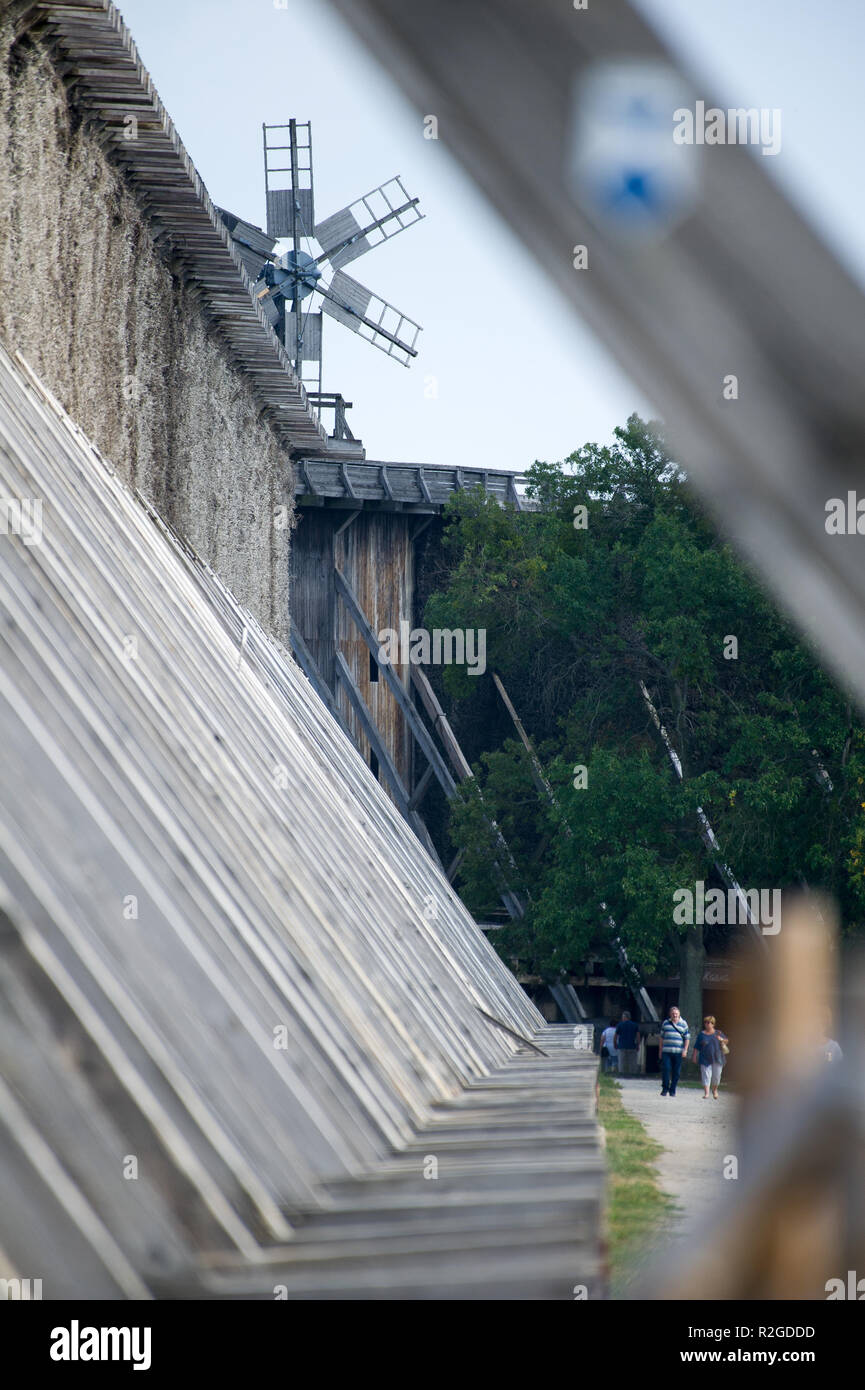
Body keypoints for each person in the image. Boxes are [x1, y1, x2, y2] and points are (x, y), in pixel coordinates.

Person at [691, 1014, 728, 1099]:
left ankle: (714, 1090)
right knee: (706, 1075)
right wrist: (694, 1056)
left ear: (713, 1024)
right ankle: (706, 1093)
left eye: (709, 1023)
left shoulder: (718, 1033)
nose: (707, 1024)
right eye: (706, 1022)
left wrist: (721, 1039)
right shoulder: (701, 1035)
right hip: (704, 1058)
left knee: (716, 1076)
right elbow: (697, 1046)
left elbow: (726, 1041)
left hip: (718, 1058)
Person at [659, 1005, 689, 1096]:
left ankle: (673, 1090)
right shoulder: (665, 1023)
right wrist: (660, 1051)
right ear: (670, 1014)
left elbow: (687, 1038)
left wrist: (685, 1050)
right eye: (673, 1014)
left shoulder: (683, 1024)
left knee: (676, 1072)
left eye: (676, 1014)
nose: (674, 1015)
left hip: (678, 1052)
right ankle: (665, 1089)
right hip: (666, 1051)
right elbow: (661, 1038)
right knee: (666, 1069)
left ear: (679, 1014)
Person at [614, 1011, 639, 1075]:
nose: (622, 1018)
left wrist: (615, 1044)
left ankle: (621, 1074)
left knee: (621, 1062)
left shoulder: (619, 1025)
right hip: (632, 1046)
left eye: (622, 1017)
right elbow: (638, 1036)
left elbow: (615, 1036)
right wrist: (637, 1045)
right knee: (632, 1062)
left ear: (624, 1017)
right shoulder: (635, 1025)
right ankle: (632, 1074)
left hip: (622, 1046)